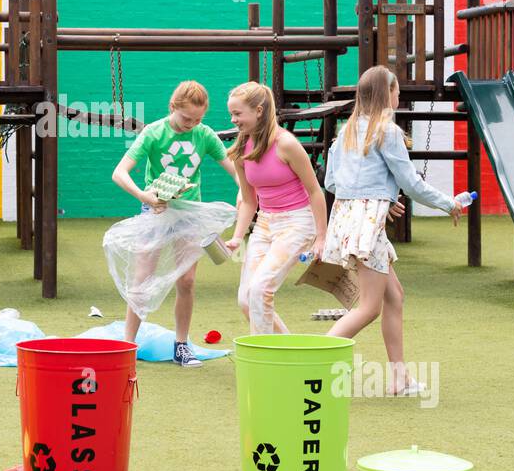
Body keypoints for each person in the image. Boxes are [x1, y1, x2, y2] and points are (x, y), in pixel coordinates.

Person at [321, 67, 461, 395]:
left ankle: (400, 379)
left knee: (394, 296)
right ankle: (312, 359)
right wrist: (449, 203)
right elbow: (411, 182)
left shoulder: (347, 132)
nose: (399, 97)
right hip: (367, 224)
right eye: (397, 92)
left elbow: (330, 182)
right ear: (388, 94)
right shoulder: (388, 131)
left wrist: (382, 197)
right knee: (369, 307)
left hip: (347, 218)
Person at [111, 80, 237, 366]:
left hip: (190, 215)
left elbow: (235, 170)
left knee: (187, 280)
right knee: (142, 279)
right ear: (173, 108)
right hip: (156, 212)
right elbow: (120, 172)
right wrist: (145, 195)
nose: (191, 124)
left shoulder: (204, 135)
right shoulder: (153, 133)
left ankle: (181, 345)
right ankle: (126, 346)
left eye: (198, 119)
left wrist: (247, 194)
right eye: (186, 118)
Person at [224, 82, 328, 334]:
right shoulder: (240, 150)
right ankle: (287, 348)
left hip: (297, 222)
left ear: (258, 110)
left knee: (260, 289)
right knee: (246, 299)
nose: (233, 120)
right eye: (232, 114)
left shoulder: (286, 144)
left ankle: (264, 357)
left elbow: (315, 191)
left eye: (238, 114)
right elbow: (250, 200)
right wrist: (238, 236)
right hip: (265, 223)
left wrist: (321, 238)